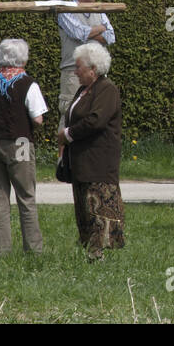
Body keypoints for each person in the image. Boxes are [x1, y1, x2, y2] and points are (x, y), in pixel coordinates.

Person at [0, 38, 46, 255]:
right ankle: (33, 250)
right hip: (20, 143)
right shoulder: (28, 83)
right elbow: (38, 119)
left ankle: (2, 250)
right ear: (23, 58)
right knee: (26, 196)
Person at [59, 42, 124, 257]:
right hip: (81, 160)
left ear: (93, 69)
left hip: (99, 159)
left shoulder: (107, 89)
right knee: (84, 205)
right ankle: (87, 245)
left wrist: (68, 134)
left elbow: (96, 120)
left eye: (79, 68)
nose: (75, 72)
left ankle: (102, 249)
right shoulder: (83, 90)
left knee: (99, 205)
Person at [56, 0, 115, 117]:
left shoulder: (98, 10)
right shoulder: (65, 9)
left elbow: (111, 37)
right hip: (73, 73)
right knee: (70, 113)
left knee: (97, 114)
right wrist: (101, 28)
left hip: (98, 74)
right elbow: (78, 33)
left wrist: (88, 33)